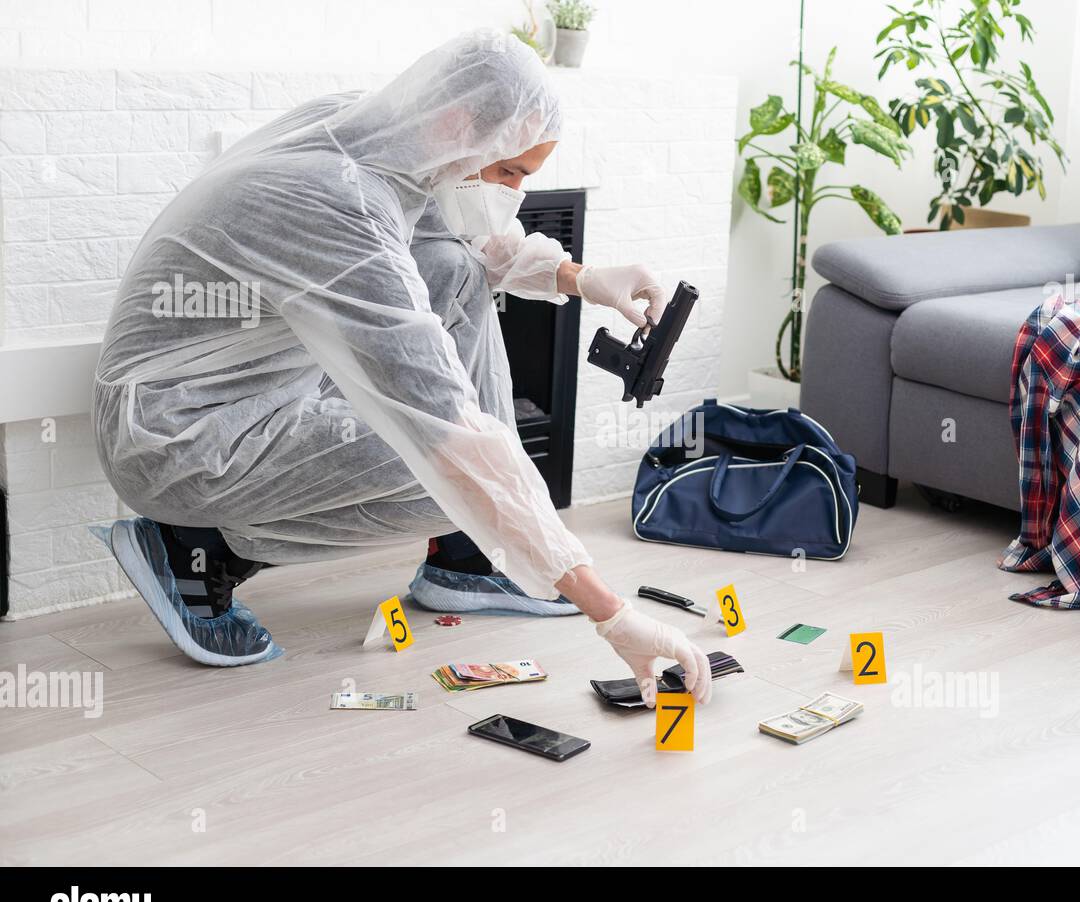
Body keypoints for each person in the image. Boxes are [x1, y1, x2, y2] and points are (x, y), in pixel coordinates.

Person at [91, 29, 712, 707]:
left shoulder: (373, 130)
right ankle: (193, 544)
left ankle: (466, 562)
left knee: (452, 269)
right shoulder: (336, 202)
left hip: (248, 387)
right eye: (509, 172)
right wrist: (613, 612)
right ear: (454, 127)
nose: (512, 192)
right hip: (177, 437)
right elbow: (448, 431)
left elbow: (462, 236)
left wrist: (582, 277)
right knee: (453, 470)